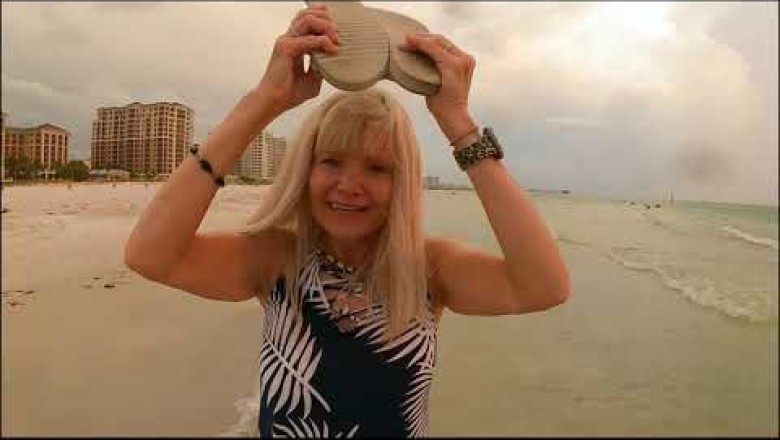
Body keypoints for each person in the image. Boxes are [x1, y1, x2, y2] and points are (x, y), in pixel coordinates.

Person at [124, 3, 570, 437]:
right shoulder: (278, 258)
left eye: (378, 168)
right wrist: (265, 100)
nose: (349, 184)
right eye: (331, 161)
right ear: (306, 169)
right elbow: (151, 256)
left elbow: (543, 285)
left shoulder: (427, 269)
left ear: (402, 183)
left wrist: (457, 119)